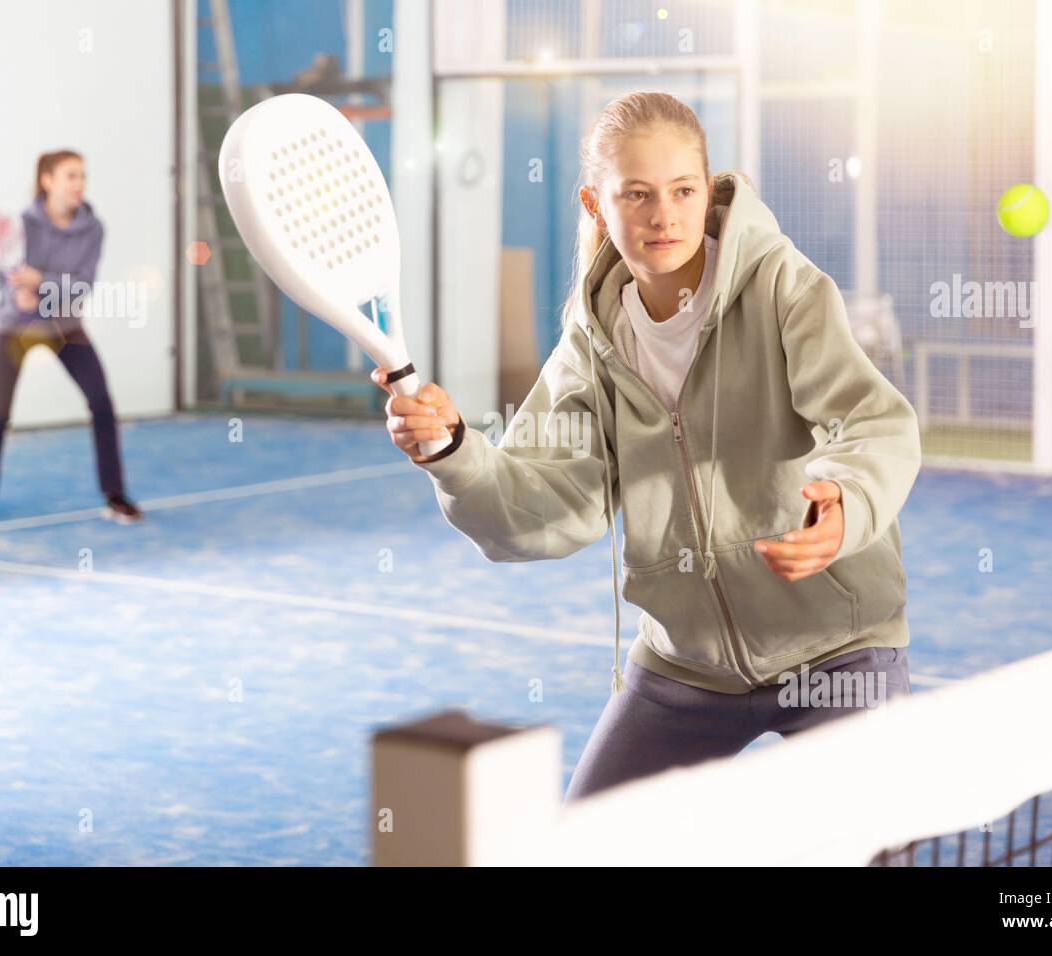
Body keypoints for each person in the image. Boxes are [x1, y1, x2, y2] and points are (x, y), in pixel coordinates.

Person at [372, 92, 921, 802]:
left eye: (682, 190)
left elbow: (875, 422)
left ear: (706, 190)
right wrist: (453, 450)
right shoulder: (589, 346)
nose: (664, 215)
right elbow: (546, 507)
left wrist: (846, 504)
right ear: (596, 205)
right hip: (683, 669)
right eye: (636, 194)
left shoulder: (783, 288)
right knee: (582, 849)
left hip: (839, 652)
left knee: (885, 846)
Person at [0, 150, 143, 525]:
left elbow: (83, 286)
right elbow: (5, 276)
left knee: (102, 404)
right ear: (47, 180)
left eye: (82, 176)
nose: (79, 184)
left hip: (65, 328)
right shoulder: (21, 224)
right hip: (17, 327)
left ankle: (115, 495)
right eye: (70, 176)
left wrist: (40, 284)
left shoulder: (94, 228)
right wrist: (18, 295)